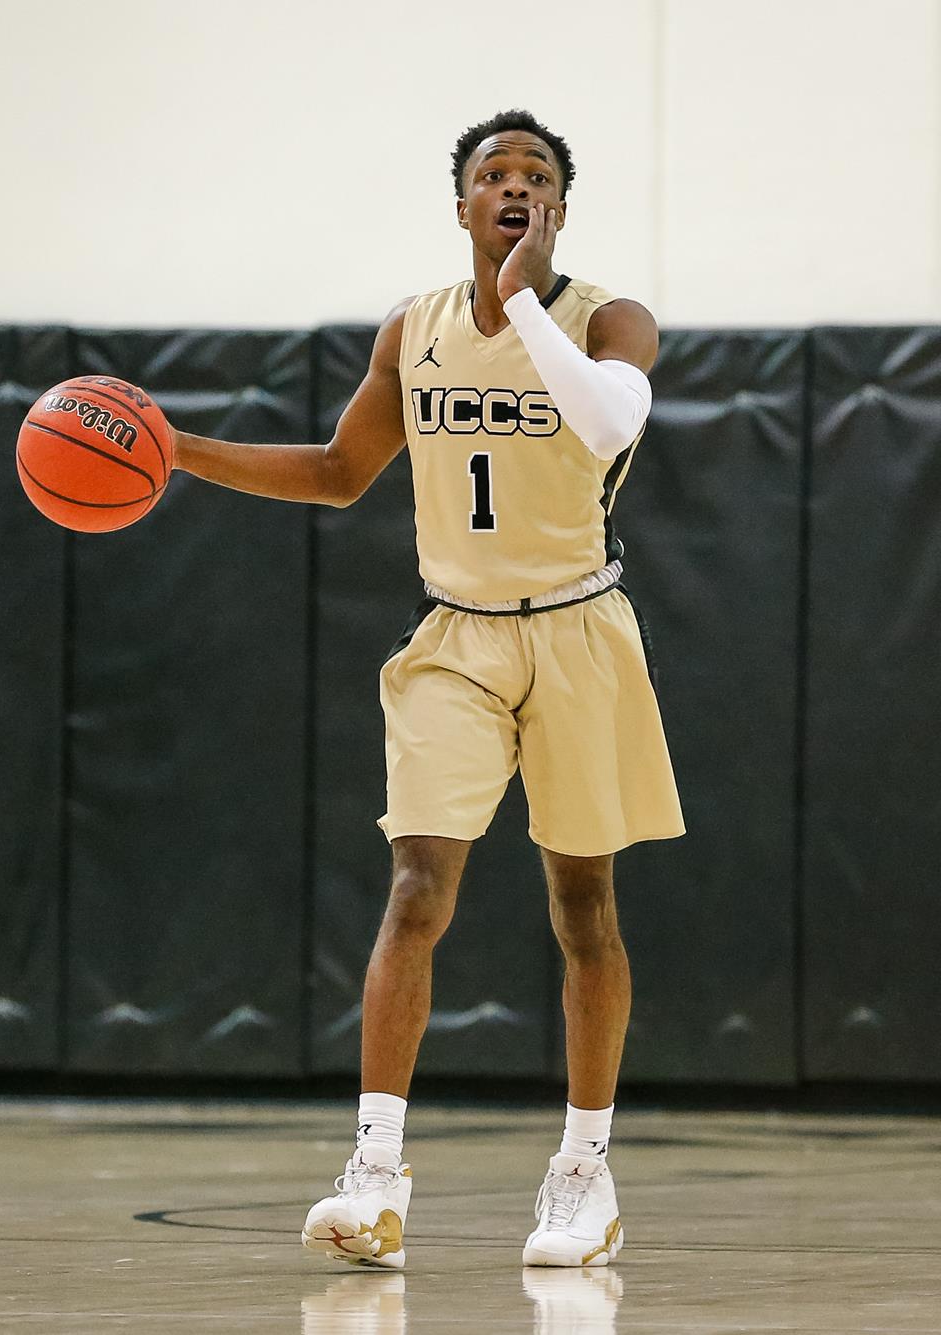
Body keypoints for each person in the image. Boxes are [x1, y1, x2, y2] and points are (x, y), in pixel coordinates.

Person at [171, 108, 684, 1269]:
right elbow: (341, 472)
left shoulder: (609, 319)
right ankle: (372, 1170)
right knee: (414, 886)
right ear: (459, 205)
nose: (513, 185)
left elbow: (607, 419)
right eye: (492, 175)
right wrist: (177, 449)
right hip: (455, 635)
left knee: (582, 910)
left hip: (575, 628)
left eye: (535, 176)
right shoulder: (414, 329)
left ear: (558, 207)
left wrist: (520, 296)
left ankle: (582, 1174)